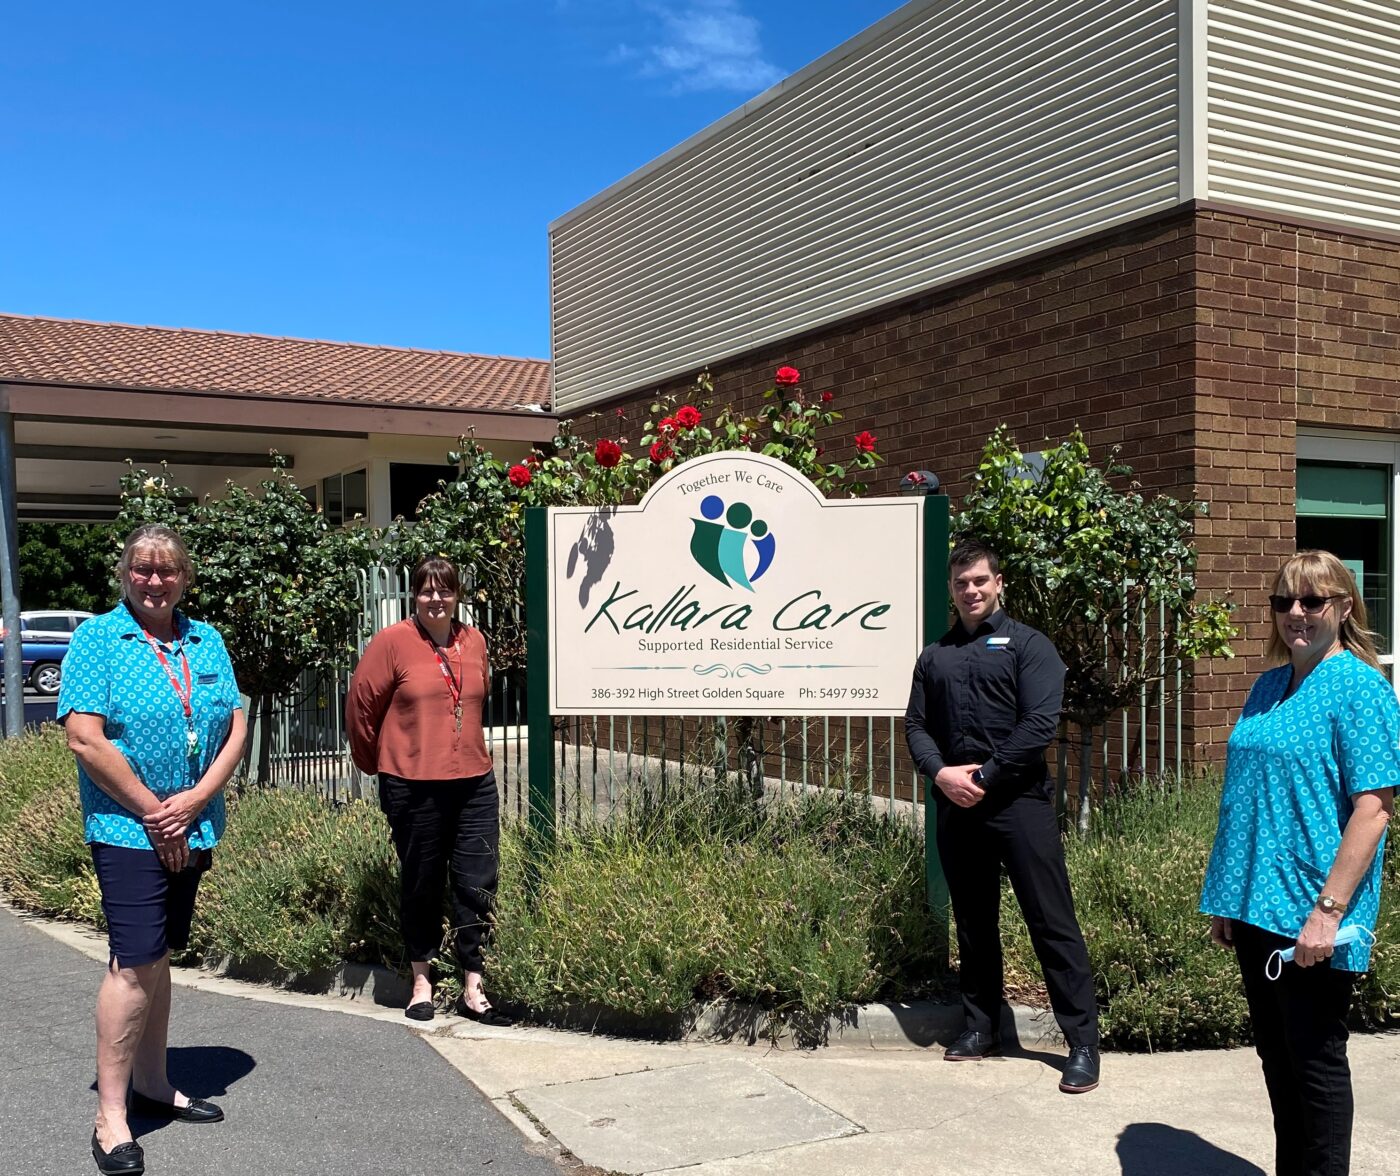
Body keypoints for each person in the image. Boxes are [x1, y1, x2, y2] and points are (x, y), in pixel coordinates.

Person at [1201, 551, 1397, 1176]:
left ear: (1343, 607)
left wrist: (1327, 911)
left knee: (1314, 1062)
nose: (1296, 614)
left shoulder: (1362, 687)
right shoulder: (1267, 685)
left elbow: (1374, 810)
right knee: (1277, 1058)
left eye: (1312, 601)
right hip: (1256, 904)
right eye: (1284, 601)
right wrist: (1225, 899)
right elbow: (1245, 797)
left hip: (1315, 911)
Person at [59, 524, 246, 1176]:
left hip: (193, 823)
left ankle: (153, 1082)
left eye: (167, 570)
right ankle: (111, 1116)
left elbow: (237, 722)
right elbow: (84, 739)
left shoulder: (207, 640)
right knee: (134, 961)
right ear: (125, 574)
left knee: (159, 953)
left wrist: (194, 802)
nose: (154, 580)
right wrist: (155, 811)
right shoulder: (97, 641)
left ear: (184, 577)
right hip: (127, 827)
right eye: (142, 568)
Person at [904, 539, 1101, 1093]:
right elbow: (916, 725)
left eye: (980, 581)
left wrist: (983, 778)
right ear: (952, 588)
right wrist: (942, 774)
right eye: (962, 583)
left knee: (1051, 922)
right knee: (973, 924)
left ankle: (1082, 1043)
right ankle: (981, 1029)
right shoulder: (934, 654)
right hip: (956, 806)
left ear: (999, 584)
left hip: (1018, 805)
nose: (971, 591)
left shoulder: (1029, 647)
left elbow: (1039, 726)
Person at [345, 556, 509, 1025]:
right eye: (426, 590)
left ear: (457, 595)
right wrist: (376, 761)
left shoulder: (473, 640)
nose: (436, 598)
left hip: (474, 780)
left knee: (477, 880)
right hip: (413, 784)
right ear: (413, 595)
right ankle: (421, 981)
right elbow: (361, 709)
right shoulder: (392, 643)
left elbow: (480, 697)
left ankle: (474, 985)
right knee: (422, 881)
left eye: (445, 590)